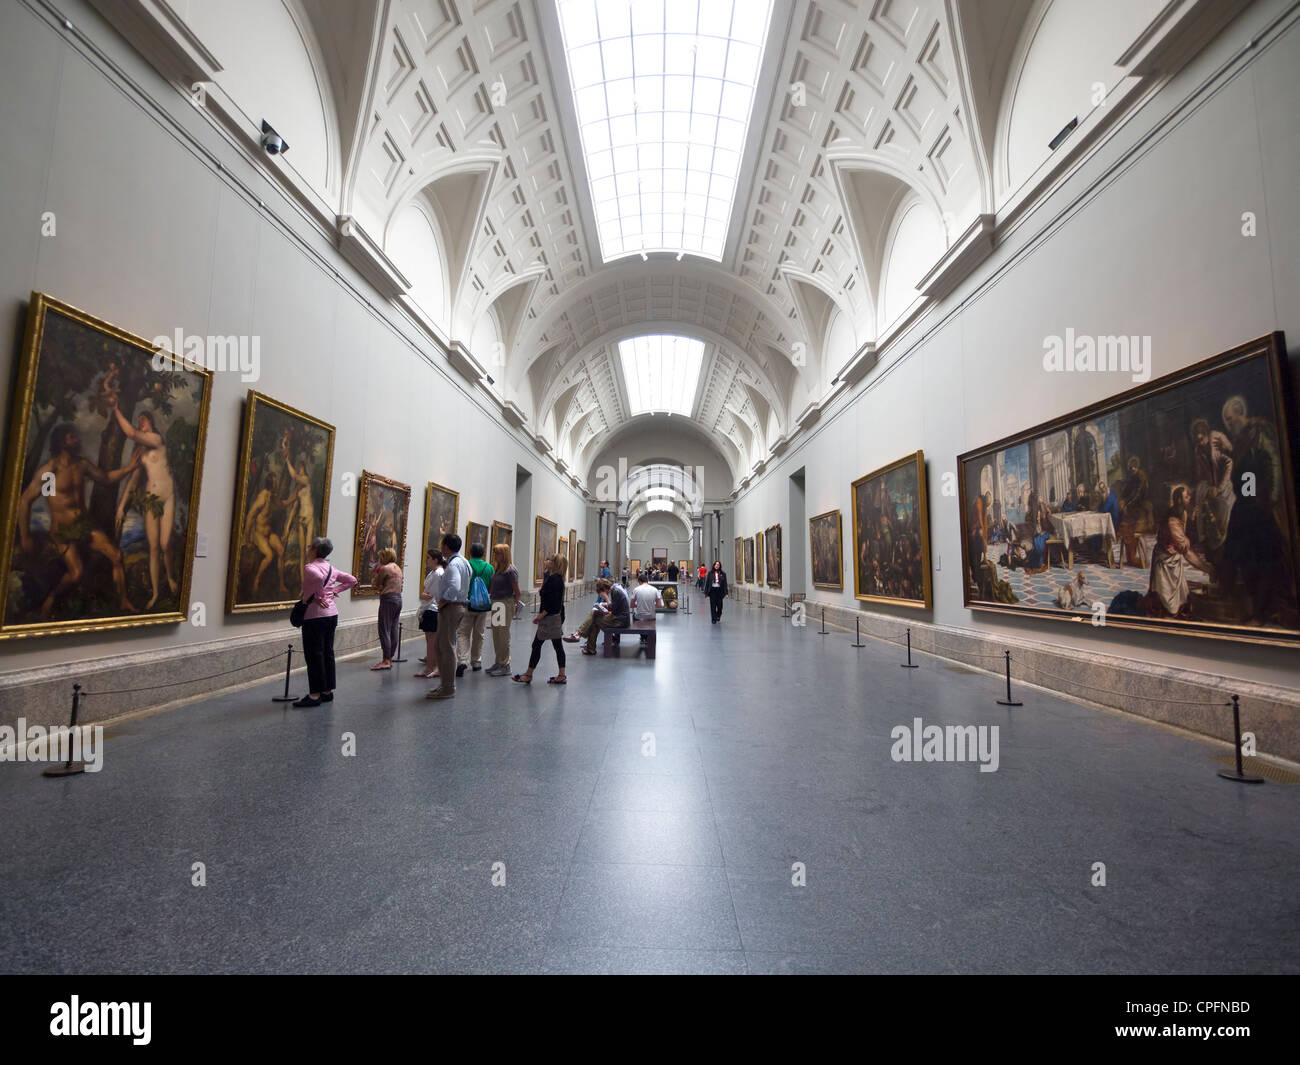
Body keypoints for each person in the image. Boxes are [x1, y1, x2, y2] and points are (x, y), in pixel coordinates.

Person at [17, 423, 141, 618]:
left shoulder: (81, 465)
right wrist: (25, 536)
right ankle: (51, 599)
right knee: (76, 574)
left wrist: (129, 468)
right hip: (63, 532)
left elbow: (106, 478)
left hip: (85, 526)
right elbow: (25, 500)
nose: (76, 439)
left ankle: (124, 601)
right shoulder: (50, 471)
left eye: (75, 435)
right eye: (71, 436)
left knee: (116, 555)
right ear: (60, 442)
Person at [110, 399, 179, 608]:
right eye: (138, 420)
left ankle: (171, 578)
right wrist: (121, 507)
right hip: (150, 499)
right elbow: (132, 482)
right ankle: (156, 593)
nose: (140, 423)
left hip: (167, 497)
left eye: (143, 420)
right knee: (153, 547)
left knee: (166, 545)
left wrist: (115, 409)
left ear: (151, 422)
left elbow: (131, 433)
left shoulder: (157, 439)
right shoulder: (139, 453)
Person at [294, 536, 358, 707]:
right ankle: (327, 691)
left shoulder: (310, 567)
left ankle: (314, 695)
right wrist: (333, 591)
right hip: (331, 614)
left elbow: (316, 578)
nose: (307, 549)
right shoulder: (331, 568)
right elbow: (352, 580)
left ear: (314, 550)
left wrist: (317, 595)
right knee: (327, 653)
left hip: (315, 616)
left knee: (314, 655)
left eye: (309, 547)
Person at [426, 532, 471, 701]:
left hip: (451, 608)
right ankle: (444, 684)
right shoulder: (464, 562)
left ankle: (448, 687)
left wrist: (444, 601)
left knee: (446, 648)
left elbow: (454, 586)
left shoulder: (453, 565)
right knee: (440, 645)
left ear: (446, 546)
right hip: (457, 607)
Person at [515, 554, 567, 684]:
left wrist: (540, 616)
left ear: (555, 563)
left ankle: (528, 674)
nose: (547, 561)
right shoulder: (555, 577)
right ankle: (561, 675)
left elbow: (551, 602)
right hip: (554, 616)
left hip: (550, 617)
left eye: (550, 560)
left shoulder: (555, 579)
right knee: (556, 646)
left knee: (538, 644)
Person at [456, 541, 494, 676]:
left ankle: (462, 661)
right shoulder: (489, 567)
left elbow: (460, 584)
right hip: (483, 606)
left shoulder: (466, 565)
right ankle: (476, 662)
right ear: (483, 553)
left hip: (467, 604)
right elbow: (491, 586)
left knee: (462, 633)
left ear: (470, 552)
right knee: (479, 634)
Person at [486, 542, 521, 677]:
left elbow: (517, 591)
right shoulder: (498, 569)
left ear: (504, 555)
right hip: (496, 603)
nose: (495, 555)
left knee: (503, 635)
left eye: (497, 553)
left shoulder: (510, 570)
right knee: (496, 634)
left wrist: (515, 604)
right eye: (495, 552)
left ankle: (505, 664)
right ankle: (498, 661)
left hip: (505, 603)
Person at [370, 546, 402, 670]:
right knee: (393, 628)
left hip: (388, 599)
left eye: (380, 557)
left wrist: (374, 573)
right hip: (398, 599)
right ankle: (390, 657)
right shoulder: (397, 568)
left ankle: (386, 659)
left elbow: (376, 583)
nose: (379, 559)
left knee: (384, 629)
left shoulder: (385, 568)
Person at [583, 576, 630, 655]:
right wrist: (606, 605)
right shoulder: (615, 590)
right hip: (621, 618)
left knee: (594, 618)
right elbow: (615, 607)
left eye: (602, 593)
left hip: (620, 621)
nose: (602, 595)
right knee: (595, 615)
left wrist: (606, 598)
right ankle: (586, 643)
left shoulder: (615, 592)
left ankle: (583, 638)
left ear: (604, 589)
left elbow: (613, 610)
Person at [415, 548, 443, 679]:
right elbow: (425, 594)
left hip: (432, 609)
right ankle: (432, 666)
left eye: (428, 558)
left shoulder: (438, 574)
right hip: (429, 609)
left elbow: (428, 596)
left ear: (435, 560)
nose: (426, 560)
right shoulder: (433, 572)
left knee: (432, 641)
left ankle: (430, 668)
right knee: (431, 641)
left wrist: (420, 612)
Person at [632, 573, 663, 645]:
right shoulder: (655, 589)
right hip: (651, 616)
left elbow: (632, 605)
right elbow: (659, 605)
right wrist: (651, 604)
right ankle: (646, 636)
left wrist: (639, 604)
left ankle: (643, 636)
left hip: (639, 616)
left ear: (639, 581)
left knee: (634, 615)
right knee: (649, 617)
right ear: (647, 581)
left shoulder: (636, 589)